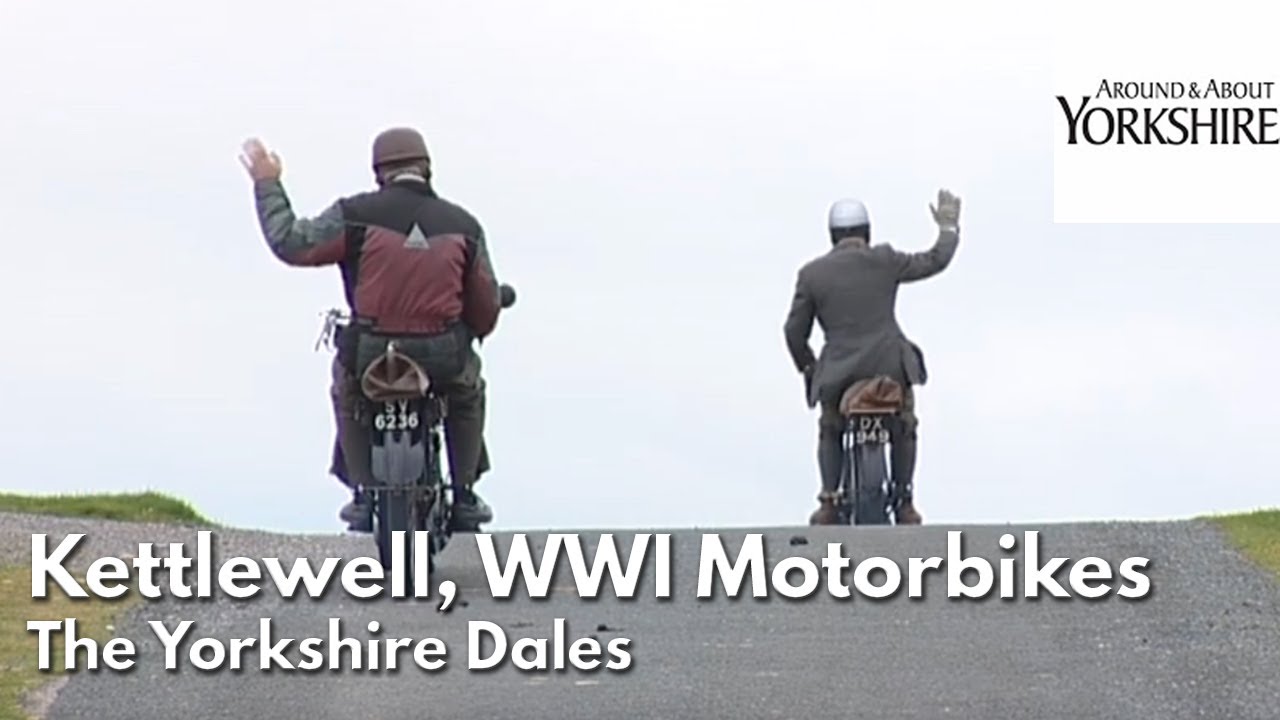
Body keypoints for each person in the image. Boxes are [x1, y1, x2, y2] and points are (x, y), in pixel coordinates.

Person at [238, 127, 504, 533]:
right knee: (466, 390)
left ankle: (361, 495)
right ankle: (464, 495)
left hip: (371, 352)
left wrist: (267, 183)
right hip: (443, 353)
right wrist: (475, 325)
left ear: (378, 170)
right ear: (427, 167)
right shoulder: (463, 224)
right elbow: (484, 308)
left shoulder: (354, 215)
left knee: (348, 390)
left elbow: (292, 243)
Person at [783, 189, 961, 525]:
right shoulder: (885, 259)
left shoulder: (812, 275)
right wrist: (949, 228)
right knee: (905, 421)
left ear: (832, 235)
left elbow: (794, 333)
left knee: (830, 426)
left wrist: (810, 368)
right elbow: (934, 260)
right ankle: (905, 501)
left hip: (838, 373)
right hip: (888, 365)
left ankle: (829, 502)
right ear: (867, 232)